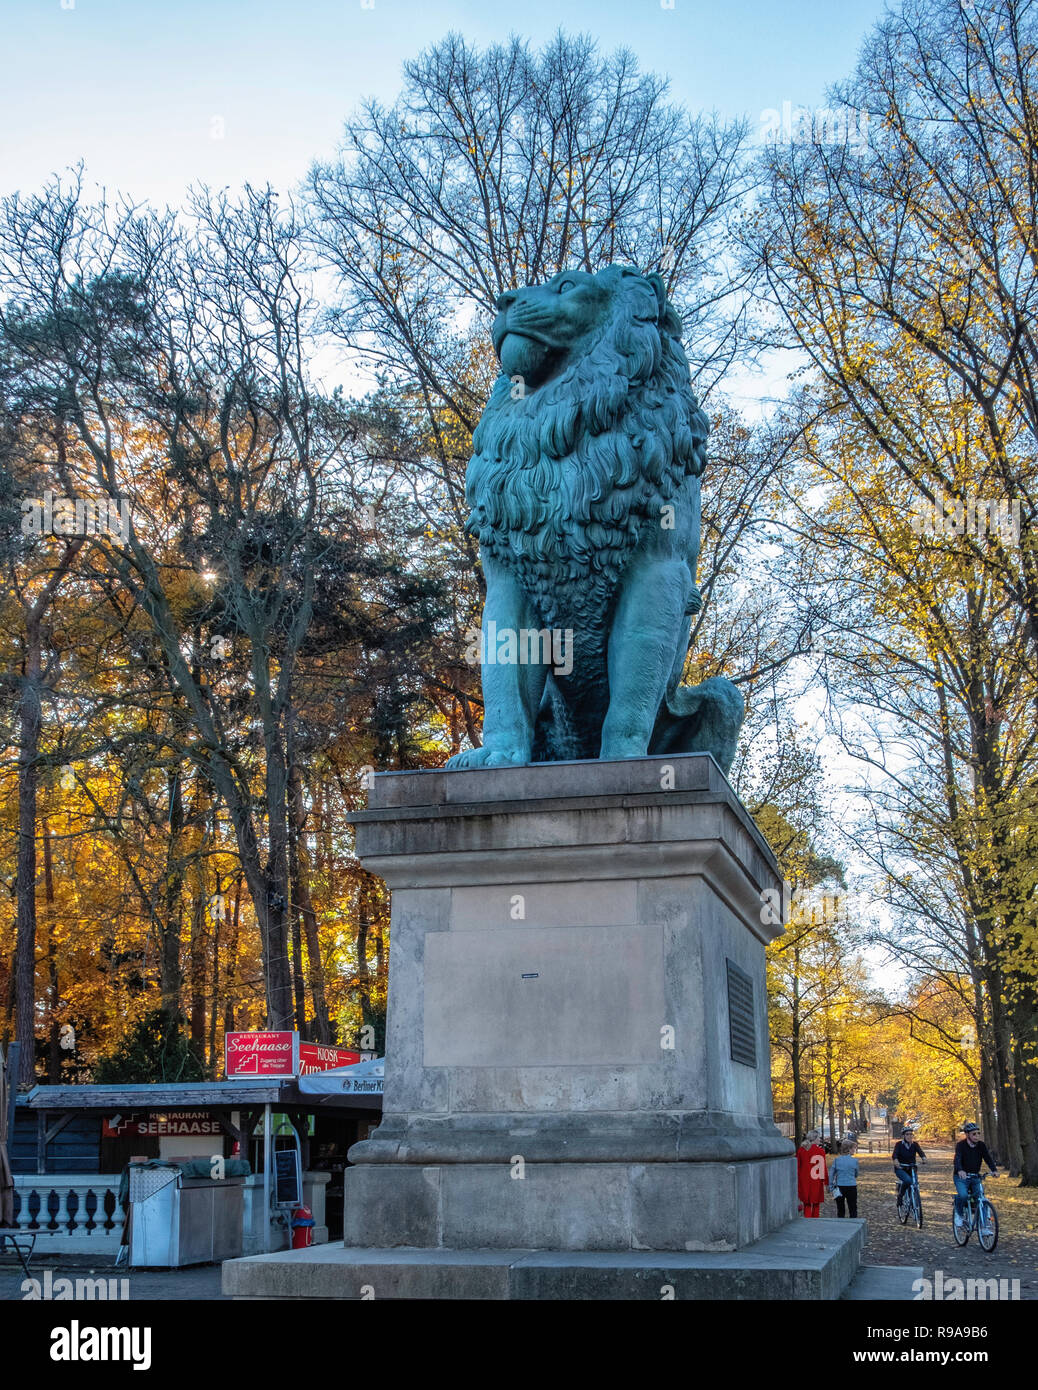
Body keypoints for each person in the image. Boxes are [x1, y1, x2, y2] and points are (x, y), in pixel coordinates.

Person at [953, 1122, 998, 1228]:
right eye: (974, 1134)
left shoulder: (981, 1145)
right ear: (967, 1135)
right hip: (961, 1177)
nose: (977, 1136)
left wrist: (994, 1170)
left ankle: (984, 1227)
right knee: (963, 1195)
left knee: (981, 1198)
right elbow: (957, 1159)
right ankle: (958, 1214)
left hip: (975, 1176)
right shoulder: (961, 1145)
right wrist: (960, 1170)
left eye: (978, 1133)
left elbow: (988, 1158)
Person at [797, 1129, 828, 1218]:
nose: (820, 1139)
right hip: (816, 1180)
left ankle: (807, 1220)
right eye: (818, 1137)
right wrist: (826, 1182)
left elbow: (797, 1166)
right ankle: (815, 1221)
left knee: (806, 1203)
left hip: (804, 1180)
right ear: (814, 1138)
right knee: (816, 1203)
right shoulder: (821, 1151)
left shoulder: (801, 1150)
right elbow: (823, 1169)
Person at [892, 1124, 926, 1203]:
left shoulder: (915, 1145)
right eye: (907, 1134)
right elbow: (895, 1155)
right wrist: (896, 1162)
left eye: (911, 1134)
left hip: (912, 1168)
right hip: (901, 1168)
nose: (909, 1136)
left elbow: (921, 1152)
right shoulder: (899, 1144)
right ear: (903, 1135)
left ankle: (913, 1202)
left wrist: (924, 1158)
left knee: (915, 1184)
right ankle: (900, 1196)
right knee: (908, 1181)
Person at [829, 1139, 859, 1218]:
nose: (854, 1150)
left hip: (839, 1186)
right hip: (851, 1186)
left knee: (840, 1208)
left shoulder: (837, 1160)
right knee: (853, 1207)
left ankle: (841, 1224)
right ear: (849, 1149)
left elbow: (831, 1174)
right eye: (853, 1148)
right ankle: (853, 1225)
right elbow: (856, 1174)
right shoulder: (855, 1161)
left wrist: (831, 1186)